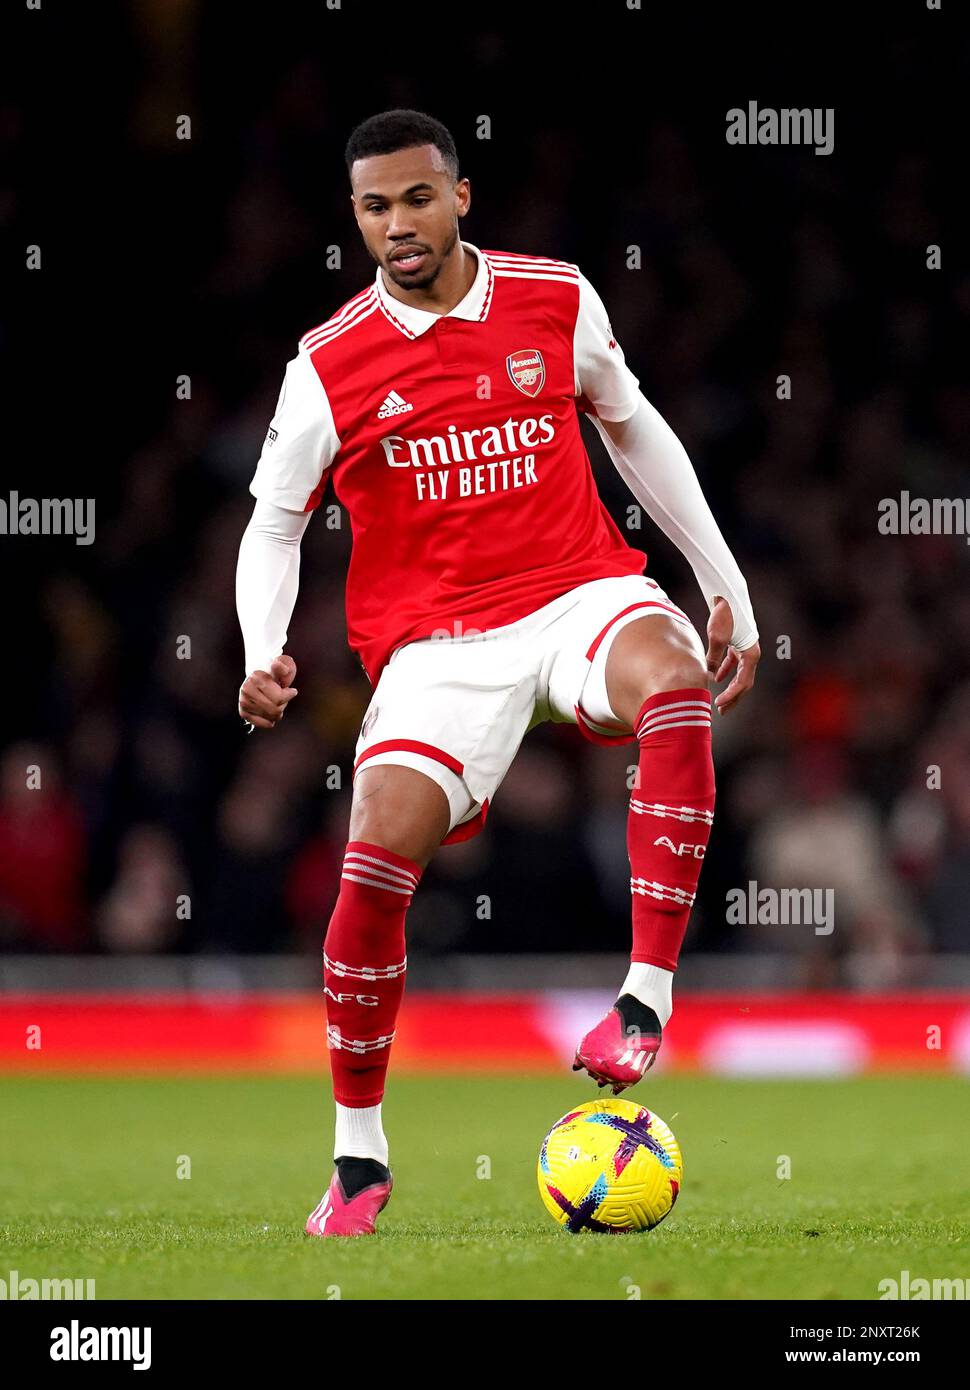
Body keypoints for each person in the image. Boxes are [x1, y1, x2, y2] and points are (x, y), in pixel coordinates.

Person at [235, 109, 760, 1237]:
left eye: (417, 198)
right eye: (374, 207)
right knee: (374, 854)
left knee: (674, 676)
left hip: (576, 590)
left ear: (459, 195)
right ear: (357, 218)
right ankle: (359, 1159)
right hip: (434, 649)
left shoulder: (553, 295)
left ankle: (641, 1001)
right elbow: (274, 524)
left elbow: (631, 424)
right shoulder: (328, 364)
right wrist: (257, 646)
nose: (397, 225)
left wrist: (723, 583)